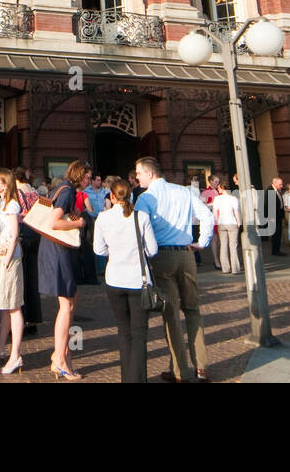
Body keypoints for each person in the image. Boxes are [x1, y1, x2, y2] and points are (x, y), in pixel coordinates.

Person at [134, 156, 213, 383]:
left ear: (150, 174)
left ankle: (181, 371)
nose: (137, 177)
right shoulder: (184, 191)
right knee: (192, 309)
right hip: (187, 254)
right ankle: (201, 366)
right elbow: (207, 216)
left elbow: (140, 229)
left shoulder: (146, 198)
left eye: (139, 173)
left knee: (171, 315)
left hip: (162, 256)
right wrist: (202, 243)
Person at [94, 177, 158, 383]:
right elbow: (153, 250)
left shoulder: (102, 219)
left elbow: (99, 250)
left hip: (115, 278)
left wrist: (115, 251)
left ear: (111, 196)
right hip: (139, 280)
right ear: (130, 195)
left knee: (124, 331)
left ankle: (126, 379)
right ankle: (137, 379)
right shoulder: (142, 217)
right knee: (139, 333)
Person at [40, 160, 89, 380]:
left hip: (57, 250)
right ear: (81, 175)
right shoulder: (68, 192)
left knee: (71, 300)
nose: (89, 180)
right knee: (66, 303)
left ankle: (63, 354)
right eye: (88, 176)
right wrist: (78, 224)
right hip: (57, 251)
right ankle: (60, 358)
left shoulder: (64, 189)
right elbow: (54, 222)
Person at [0, 168, 25, 375]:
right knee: (5, 303)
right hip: (3, 256)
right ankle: (2, 346)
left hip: (9, 259)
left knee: (13, 305)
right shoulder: (2, 203)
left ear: (5, 184)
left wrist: (8, 257)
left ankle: (15, 354)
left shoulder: (11, 205)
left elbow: (15, 234)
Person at [13, 167, 43, 334]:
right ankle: (34, 319)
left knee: (20, 278)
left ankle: (21, 320)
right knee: (32, 277)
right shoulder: (34, 192)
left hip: (23, 231)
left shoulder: (15, 192)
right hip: (35, 232)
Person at [210, 180, 241, 274]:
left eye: (218, 187)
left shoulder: (217, 199)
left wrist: (215, 222)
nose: (217, 189)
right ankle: (235, 268)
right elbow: (236, 211)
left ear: (222, 188)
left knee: (223, 245)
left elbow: (215, 212)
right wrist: (238, 222)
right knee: (233, 246)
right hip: (232, 222)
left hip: (221, 223)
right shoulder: (233, 199)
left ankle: (225, 268)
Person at [264, 177, 285, 256]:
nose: (282, 186)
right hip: (273, 217)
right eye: (280, 184)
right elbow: (267, 205)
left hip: (278, 216)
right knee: (275, 233)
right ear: (274, 183)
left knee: (278, 233)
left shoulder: (277, 191)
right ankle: (275, 251)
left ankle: (277, 250)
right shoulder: (270, 190)